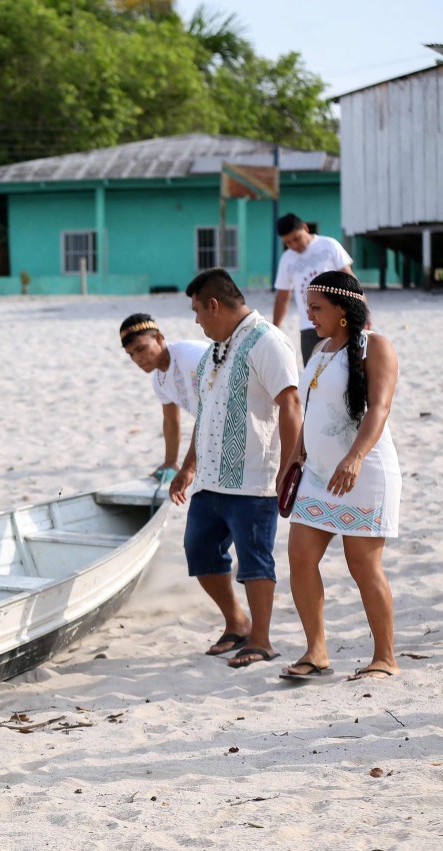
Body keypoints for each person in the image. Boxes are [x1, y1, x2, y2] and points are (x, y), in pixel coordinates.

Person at [169, 269, 302, 666]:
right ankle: (236, 622)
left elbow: (291, 404)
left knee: (255, 559)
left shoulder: (268, 341)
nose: (196, 320)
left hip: (254, 477)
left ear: (214, 304)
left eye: (197, 311)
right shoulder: (214, 350)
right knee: (200, 549)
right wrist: (188, 466)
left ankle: (261, 640)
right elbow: (205, 414)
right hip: (210, 477)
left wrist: (289, 466)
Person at [281, 272, 401, 682]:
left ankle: (385, 657)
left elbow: (379, 409)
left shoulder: (377, 345)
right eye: (307, 306)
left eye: (316, 308)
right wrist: (294, 456)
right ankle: (316, 652)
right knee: (299, 556)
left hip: (363, 472)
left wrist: (354, 457)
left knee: (363, 566)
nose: (309, 315)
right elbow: (310, 409)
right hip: (317, 475)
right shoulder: (320, 350)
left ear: (343, 310)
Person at [119, 313, 209, 480]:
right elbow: (171, 421)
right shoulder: (159, 381)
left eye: (141, 349)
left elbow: (214, 406)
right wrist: (170, 462)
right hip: (214, 431)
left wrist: (189, 467)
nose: (137, 358)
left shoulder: (191, 355)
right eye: (130, 354)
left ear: (159, 338)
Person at [273, 214, 354, 365]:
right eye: (288, 242)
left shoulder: (329, 245)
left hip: (339, 320)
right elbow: (283, 297)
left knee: (345, 368)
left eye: (296, 239)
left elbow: (349, 278)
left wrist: (363, 310)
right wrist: (275, 329)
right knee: (313, 376)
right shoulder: (287, 259)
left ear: (305, 228)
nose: (294, 245)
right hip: (310, 326)